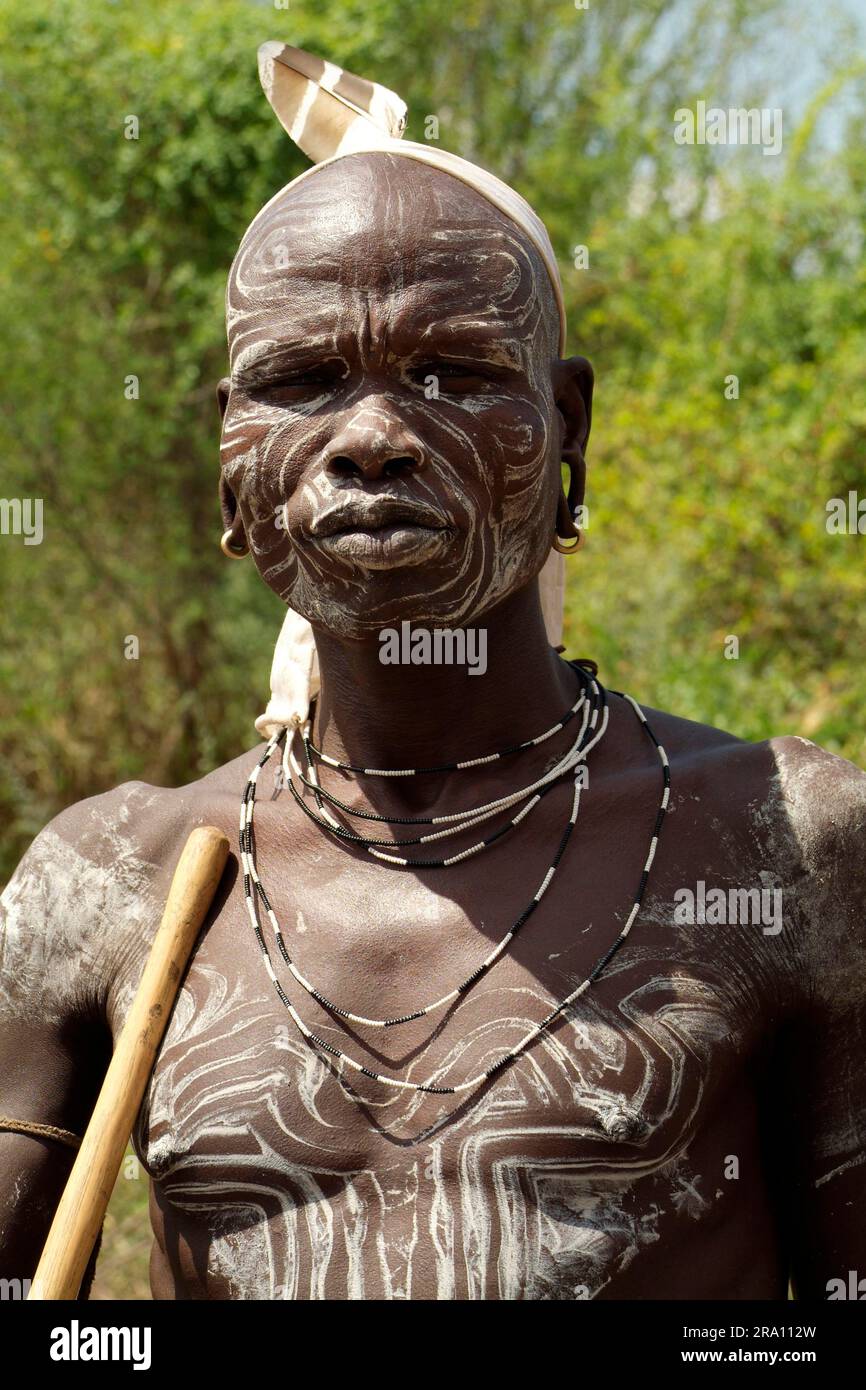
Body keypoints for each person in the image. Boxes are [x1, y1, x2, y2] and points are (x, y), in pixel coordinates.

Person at [1, 43, 864, 1302]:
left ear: (566, 433)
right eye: (300, 383)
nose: (370, 439)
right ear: (229, 465)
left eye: (453, 374)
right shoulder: (106, 883)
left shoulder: (783, 847)